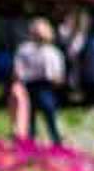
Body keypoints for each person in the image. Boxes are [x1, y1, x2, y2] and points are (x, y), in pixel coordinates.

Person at [11, 18, 68, 146]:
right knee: (29, 115)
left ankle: (56, 140)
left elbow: (59, 72)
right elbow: (18, 68)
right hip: (29, 85)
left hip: (46, 85)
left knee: (49, 111)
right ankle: (30, 140)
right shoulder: (25, 49)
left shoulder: (53, 51)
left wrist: (57, 80)